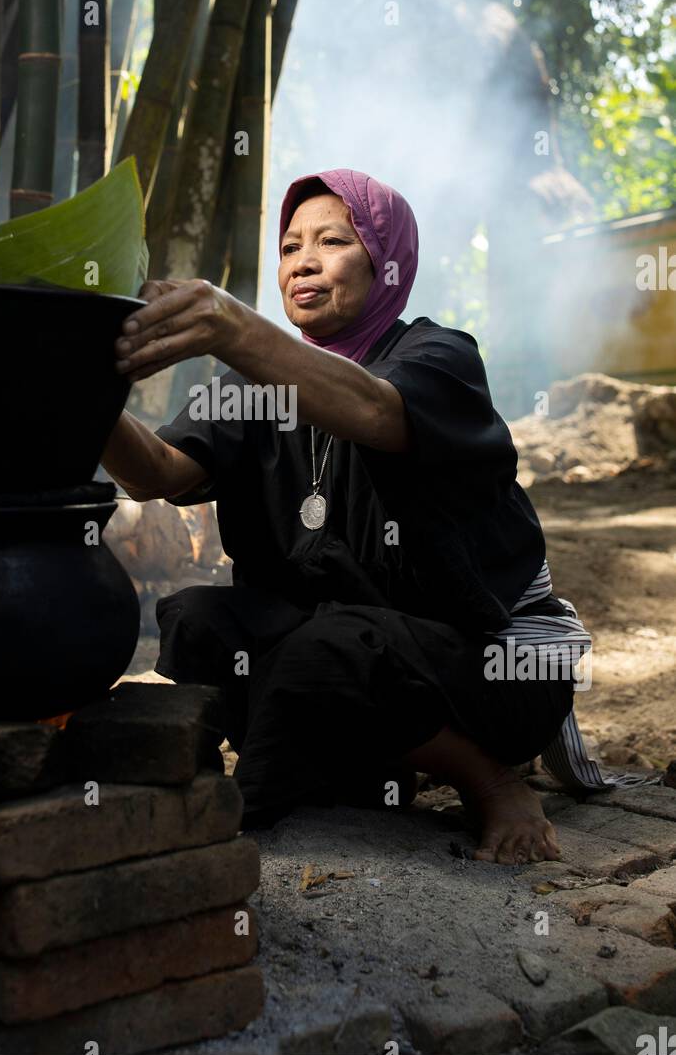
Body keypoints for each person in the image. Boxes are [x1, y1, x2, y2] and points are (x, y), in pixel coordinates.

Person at [100, 168, 595, 864]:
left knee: (330, 648)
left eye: (332, 241)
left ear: (388, 261)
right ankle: (363, 769)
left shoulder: (439, 358)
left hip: (494, 668)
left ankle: (491, 780)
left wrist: (230, 324)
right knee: (195, 623)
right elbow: (157, 473)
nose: (302, 260)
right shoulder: (250, 387)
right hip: (355, 648)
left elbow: (374, 411)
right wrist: (82, 390)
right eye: (291, 245)